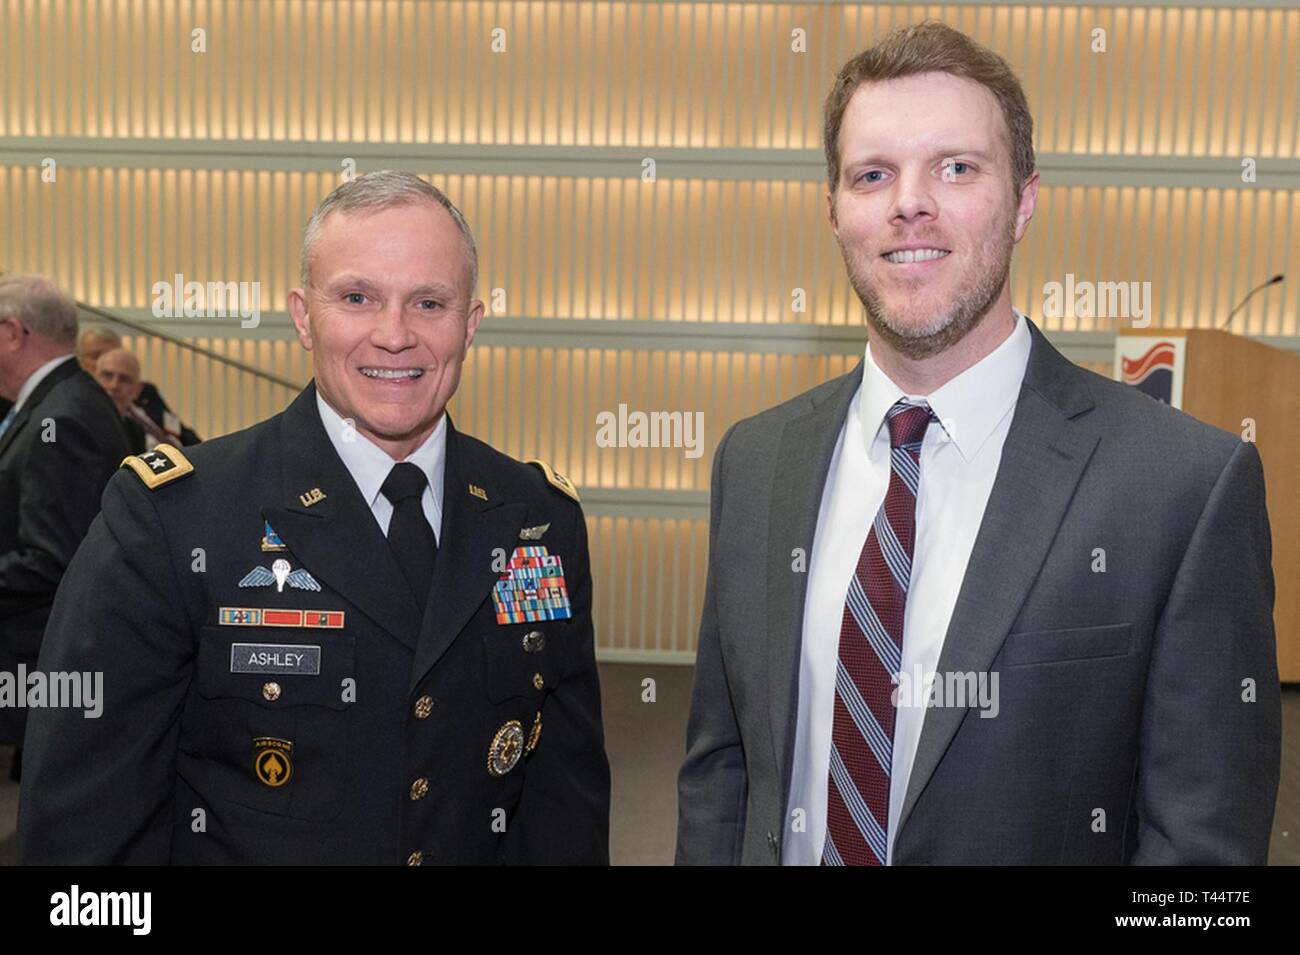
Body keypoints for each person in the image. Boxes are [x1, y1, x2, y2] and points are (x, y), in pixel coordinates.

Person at [676, 21, 1280, 865]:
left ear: (1025, 200)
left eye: (956, 167)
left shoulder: (1182, 487)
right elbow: (723, 770)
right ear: (834, 209)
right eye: (872, 174)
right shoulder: (756, 461)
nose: (908, 203)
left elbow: (1203, 847)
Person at [19, 171, 610, 864]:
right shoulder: (173, 518)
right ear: (303, 315)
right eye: (357, 297)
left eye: (429, 302)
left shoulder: (537, 522)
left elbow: (563, 809)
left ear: (470, 322)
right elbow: (84, 833)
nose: (395, 336)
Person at [0, 276, 129, 781]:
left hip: (44, 662)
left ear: (14, 332)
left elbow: (52, 559)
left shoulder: (63, 416)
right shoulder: (62, 401)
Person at [79, 327, 199, 447]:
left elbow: (176, 428)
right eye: (96, 356)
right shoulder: (77, 400)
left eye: (113, 353)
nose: (114, 384)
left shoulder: (145, 392)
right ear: (81, 361)